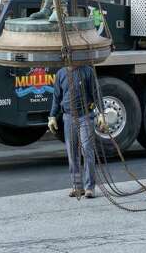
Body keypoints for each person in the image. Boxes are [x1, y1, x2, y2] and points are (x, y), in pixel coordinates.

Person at [47, 63, 107, 199]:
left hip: (85, 116)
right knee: (72, 152)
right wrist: (52, 116)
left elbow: (96, 93)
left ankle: (89, 187)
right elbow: (56, 97)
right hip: (68, 117)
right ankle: (77, 187)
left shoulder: (87, 71)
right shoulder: (61, 74)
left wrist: (101, 114)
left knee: (87, 150)